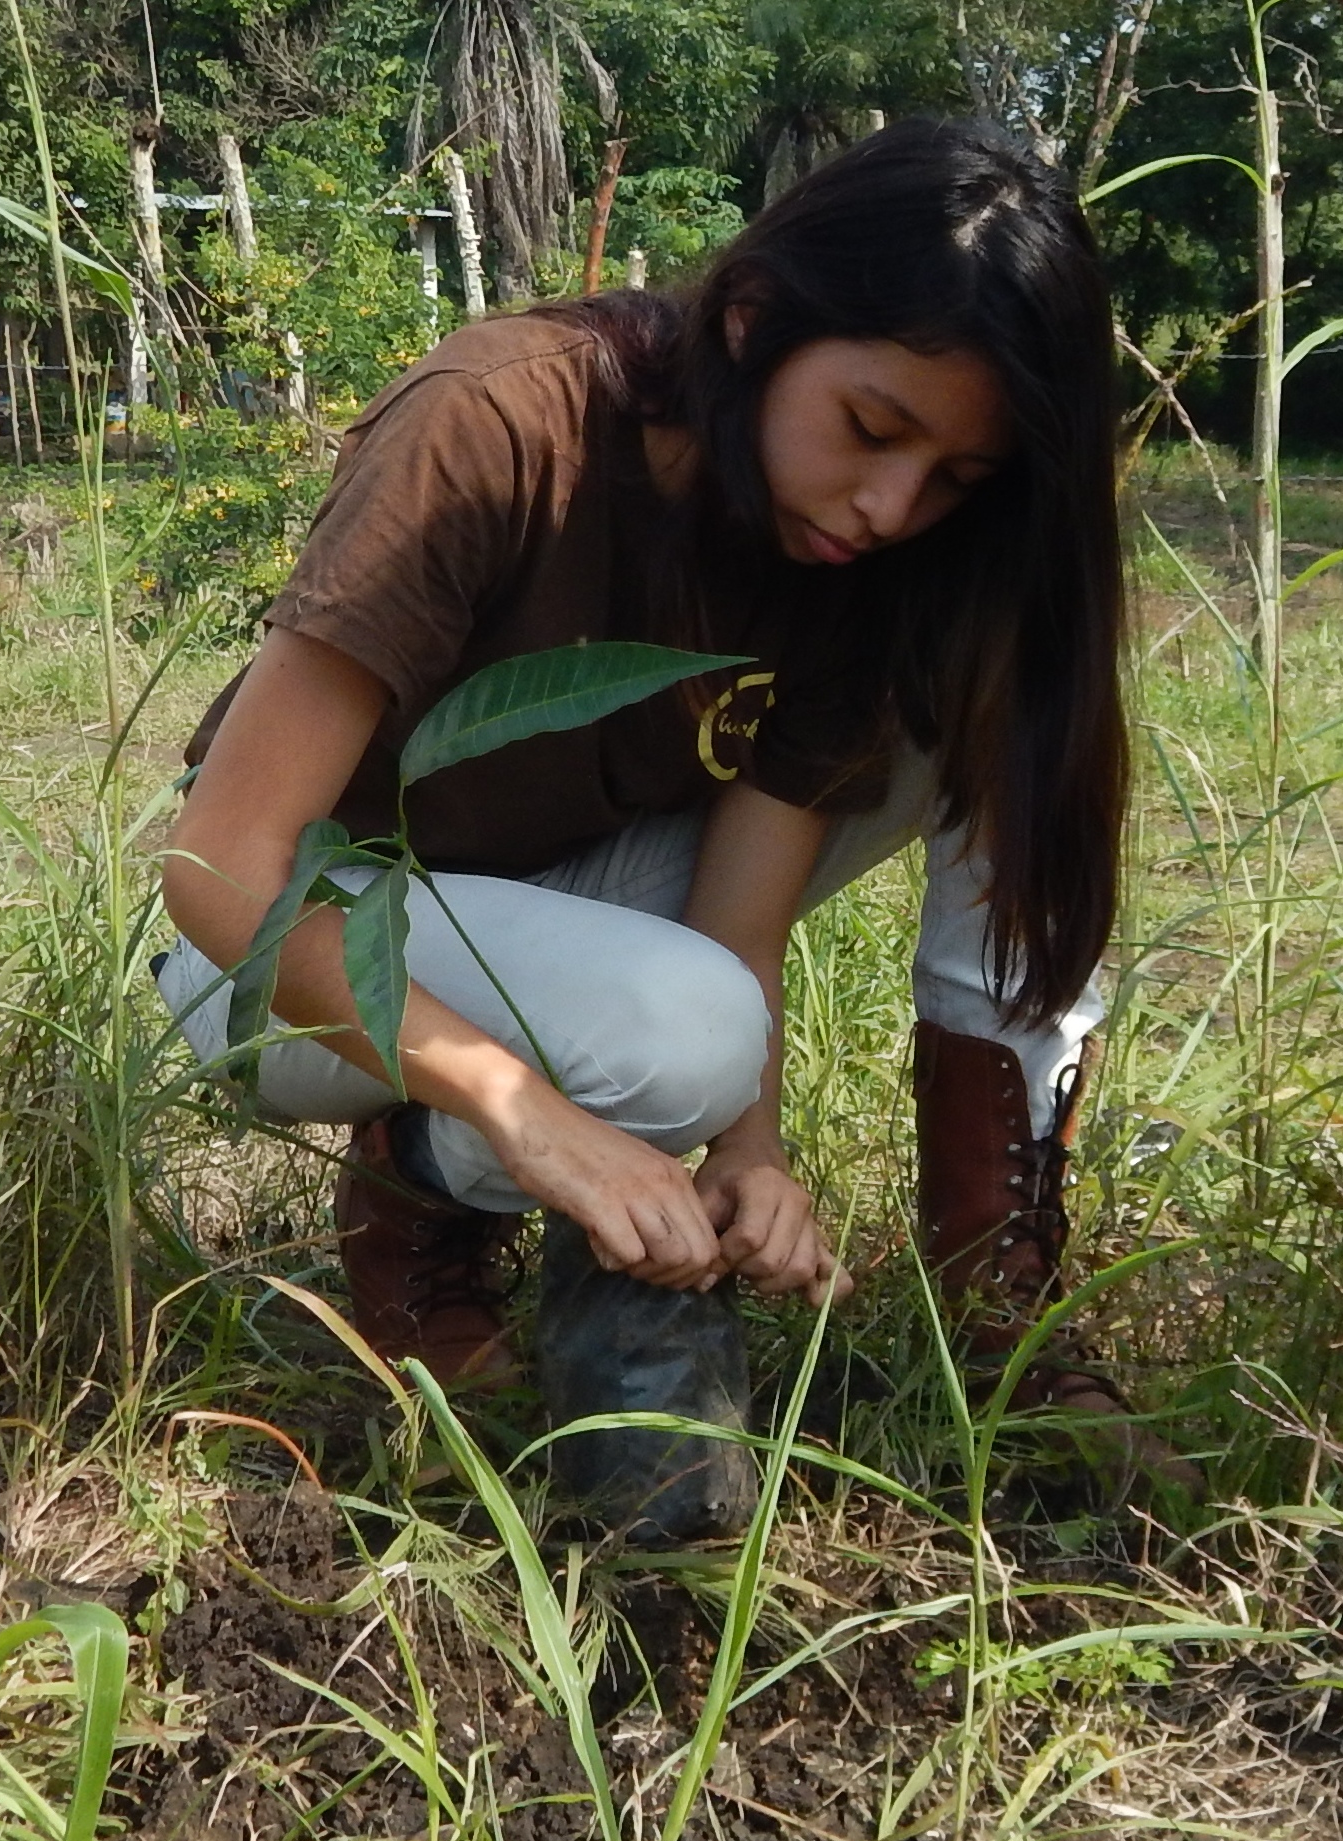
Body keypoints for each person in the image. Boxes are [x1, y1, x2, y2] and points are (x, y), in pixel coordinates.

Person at [157, 117, 1195, 1540]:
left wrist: (746, 1153)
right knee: (682, 1031)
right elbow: (221, 869)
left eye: (953, 478)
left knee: (975, 698)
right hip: (283, 951)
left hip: (548, 927)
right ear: (754, 319)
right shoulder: (500, 422)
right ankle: (431, 1185)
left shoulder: (850, 561)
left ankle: (968, 1297)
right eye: (873, 430)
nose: (892, 507)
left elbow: (740, 922)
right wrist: (523, 1112)